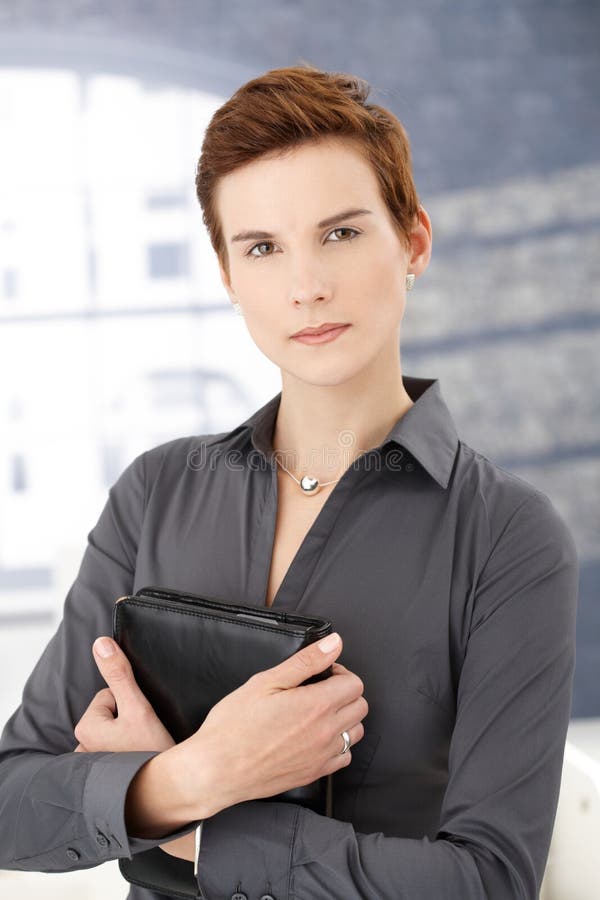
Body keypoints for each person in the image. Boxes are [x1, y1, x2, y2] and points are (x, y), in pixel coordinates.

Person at [0, 63, 579, 900]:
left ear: (413, 240)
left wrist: (201, 828)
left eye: (340, 233)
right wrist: (189, 779)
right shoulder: (155, 493)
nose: (306, 286)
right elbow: (13, 800)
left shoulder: (507, 539)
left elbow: (488, 882)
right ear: (229, 276)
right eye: (263, 248)